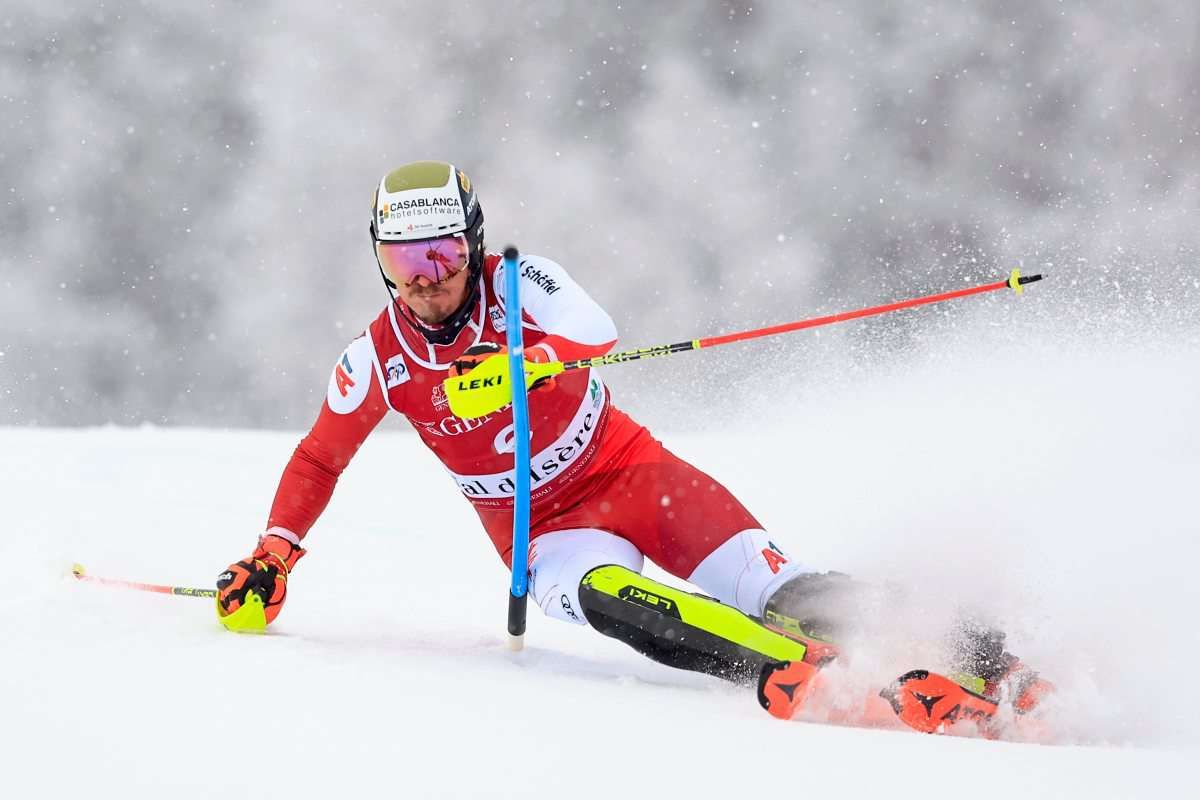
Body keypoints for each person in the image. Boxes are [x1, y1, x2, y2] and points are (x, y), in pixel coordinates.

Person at [215, 160, 1047, 728]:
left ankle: (993, 656)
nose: (426, 278)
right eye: (404, 261)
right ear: (382, 263)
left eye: (440, 254)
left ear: (470, 246)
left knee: (780, 588)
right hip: (543, 534)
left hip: (630, 467)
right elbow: (320, 456)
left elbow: (595, 328)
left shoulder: (518, 280)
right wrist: (274, 553)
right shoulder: (376, 359)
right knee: (615, 597)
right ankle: (805, 674)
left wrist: (528, 362)